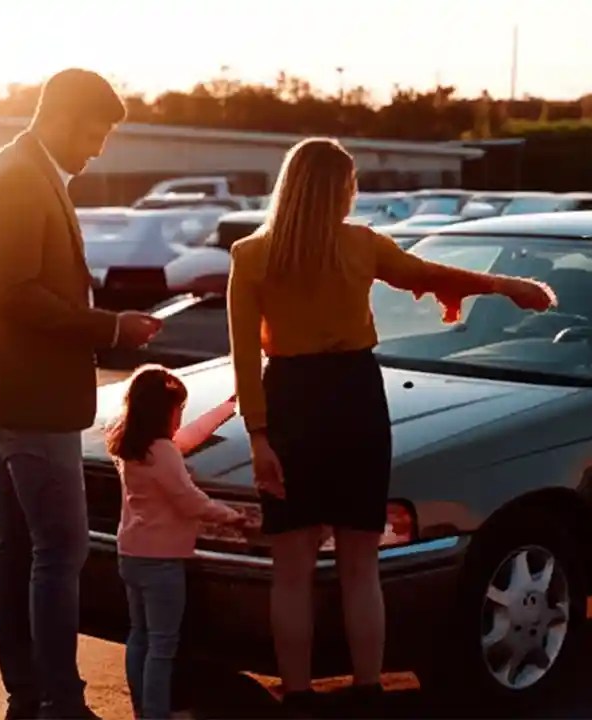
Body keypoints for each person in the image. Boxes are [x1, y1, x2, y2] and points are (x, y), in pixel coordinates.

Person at [227, 137, 556, 715]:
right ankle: (367, 691)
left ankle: (298, 697)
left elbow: (243, 359)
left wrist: (258, 437)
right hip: (355, 398)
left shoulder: (252, 255)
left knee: (292, 572)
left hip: (291, 403)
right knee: (361, 565)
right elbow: (428, 274)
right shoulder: (362, 245)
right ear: (342, 189)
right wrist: (507, 286)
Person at [0, 68, 163, 719]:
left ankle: (29, 690)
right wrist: (112, 327)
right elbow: (17, 294)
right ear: (65, 117)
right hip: (30, 396)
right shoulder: (20, 176)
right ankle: (60, 700)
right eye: (97, 132)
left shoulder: (22, 168)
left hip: (20, 393)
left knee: (18, 547)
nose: (98, 148)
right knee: (60, 551)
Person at [106, 365, 246, 720]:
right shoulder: (163, 453)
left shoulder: (130, 446)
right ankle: (157, 713)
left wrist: (227, 407)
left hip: (132, 554)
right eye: (177, 410)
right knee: (163, 644)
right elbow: (188, 500)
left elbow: (187, 438)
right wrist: (230, 515)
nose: (180, 417)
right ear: (161, 412)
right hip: (162, 561)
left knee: (139, 636)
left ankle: (142, 709)